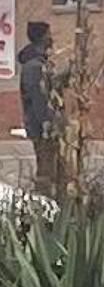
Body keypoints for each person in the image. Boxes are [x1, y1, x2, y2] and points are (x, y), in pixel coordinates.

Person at [17, 22, 56, 194]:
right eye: (49, 34)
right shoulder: (34, 67)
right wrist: (46, 121)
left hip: (40, 124)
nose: (51, 37)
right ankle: (44, 201)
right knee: (46, 166)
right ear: (41, 38)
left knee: (49, 163)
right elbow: (38, 97)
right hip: (40, 127)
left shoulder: (39, 63)